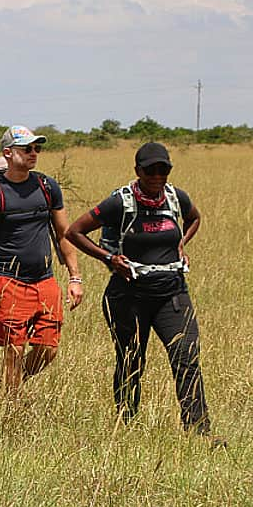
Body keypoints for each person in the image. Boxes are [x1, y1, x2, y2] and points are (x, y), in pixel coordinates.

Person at [65, 142, 223, 447]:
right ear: (138, 171)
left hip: (172, 294)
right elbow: (74, 231)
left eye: (163, 169)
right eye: (150, 169)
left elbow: (195, 218)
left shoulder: (176, 198)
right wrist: (108, 258)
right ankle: (125, 426)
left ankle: (200, 432)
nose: (157, 175)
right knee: (131, 360)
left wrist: (181, 245)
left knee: (186, 357)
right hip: (128, 297)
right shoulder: (119, 203)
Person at [0, 126, 84, 397]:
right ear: (7, 153)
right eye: (26, 148)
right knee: (14, 349)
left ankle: (11, 385)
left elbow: (64, 233)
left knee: (49, 348)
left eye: (36, 148)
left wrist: (75, 277)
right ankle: (10, 401)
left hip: (45, 279)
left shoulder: (47, 186)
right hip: (8, 279)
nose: (33, 153)